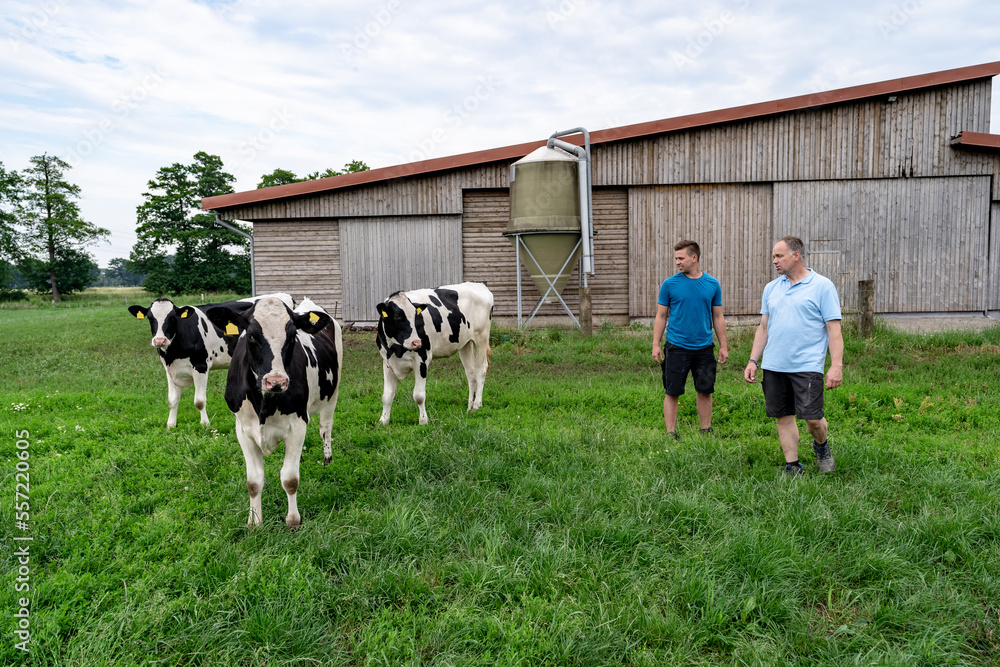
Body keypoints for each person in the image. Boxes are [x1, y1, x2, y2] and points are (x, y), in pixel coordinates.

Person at [743, 236, 843, 475]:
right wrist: (753, 360)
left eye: (779, 256)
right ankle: (793, 465)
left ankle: (821, 446)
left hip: (807, 366)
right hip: (775, 365)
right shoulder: (772, 288)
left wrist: (836, 366)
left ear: (796, 255)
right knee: (783, 416)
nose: (774, 261)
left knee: (813, 420)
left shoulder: (822, 286)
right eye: (774, 256)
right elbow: (763, 328)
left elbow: (834, 330)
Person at [651, 240, 728, 439]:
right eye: (676, 258)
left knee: (705, 390)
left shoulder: (712, 284)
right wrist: (656, 344)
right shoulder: (669, 284)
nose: (677, 262)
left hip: (704, 347)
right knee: (672, 391)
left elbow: (718, 317)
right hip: (676, 346)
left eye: (681, 258)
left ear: (694, 258)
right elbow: (661, 316)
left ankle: (705, 430)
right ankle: (670, 432)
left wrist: (723, 346)